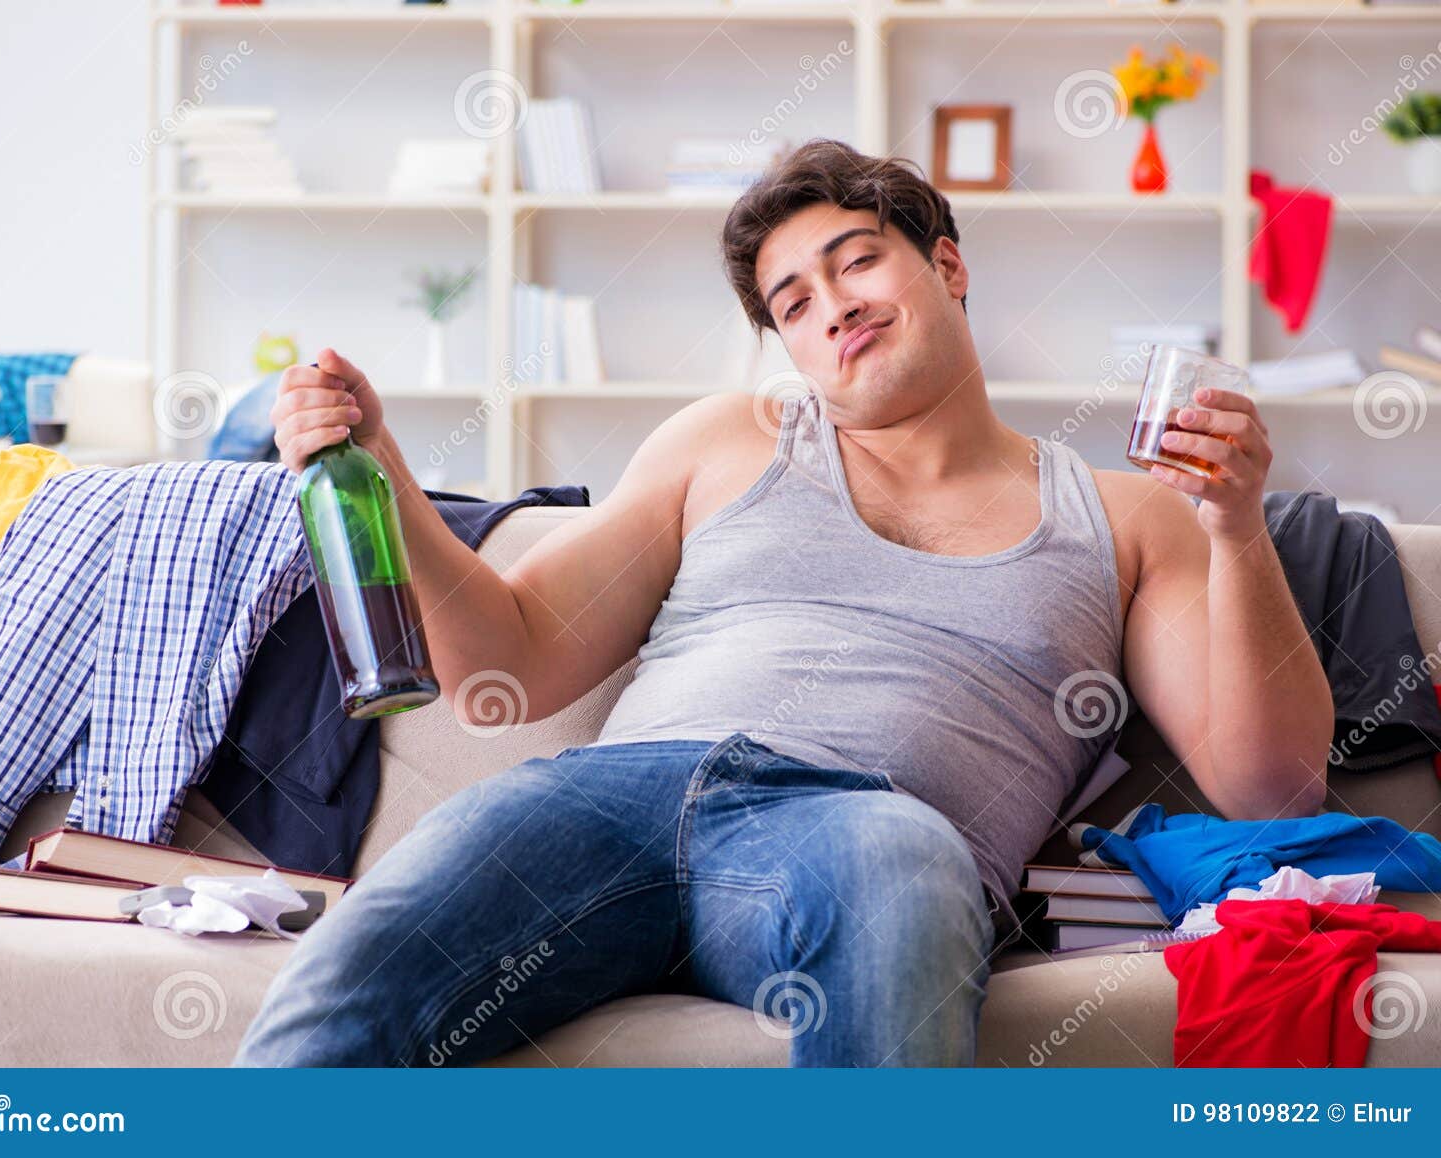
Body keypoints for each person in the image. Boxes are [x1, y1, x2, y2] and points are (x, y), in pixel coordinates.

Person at [235, 139, 1332, 1067]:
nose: (833, 308)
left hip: (868, 828)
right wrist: (381, 470)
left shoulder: (1127, 514)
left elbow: (1271, 784)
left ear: (946, 266)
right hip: (601, 805)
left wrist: (1234, 527)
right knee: (337, 996)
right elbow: (504, 669)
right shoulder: (725, 440)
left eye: (858, 263)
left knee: (901, 882)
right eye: (793, 302)